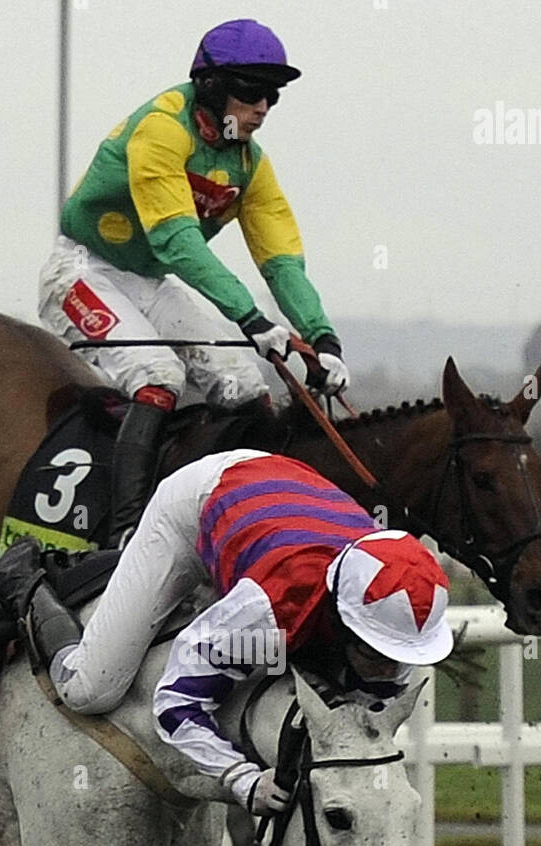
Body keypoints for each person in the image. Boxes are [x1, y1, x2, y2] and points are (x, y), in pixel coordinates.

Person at [0, 448, 453, 817]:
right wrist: (241, 778)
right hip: (198, 501)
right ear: (343, 621)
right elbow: (176, 703)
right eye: (376, 651)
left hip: (278, 494)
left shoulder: (398, 618)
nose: (390, 668)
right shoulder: (268, 612)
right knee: (88, 689)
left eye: (397, 653)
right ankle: (26, 580)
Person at [37, 18, 350, 548]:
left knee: (246, 388)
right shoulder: (162, 129)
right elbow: (177, 242)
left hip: (147, 281)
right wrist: (249, 318)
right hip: (83, 270)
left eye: (272, 95)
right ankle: (127, 532)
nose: (263, 107)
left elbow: (282, 262)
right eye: (251, 91)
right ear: (210, 86)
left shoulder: (250, 164)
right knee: (160, 377)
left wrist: (321, 338)